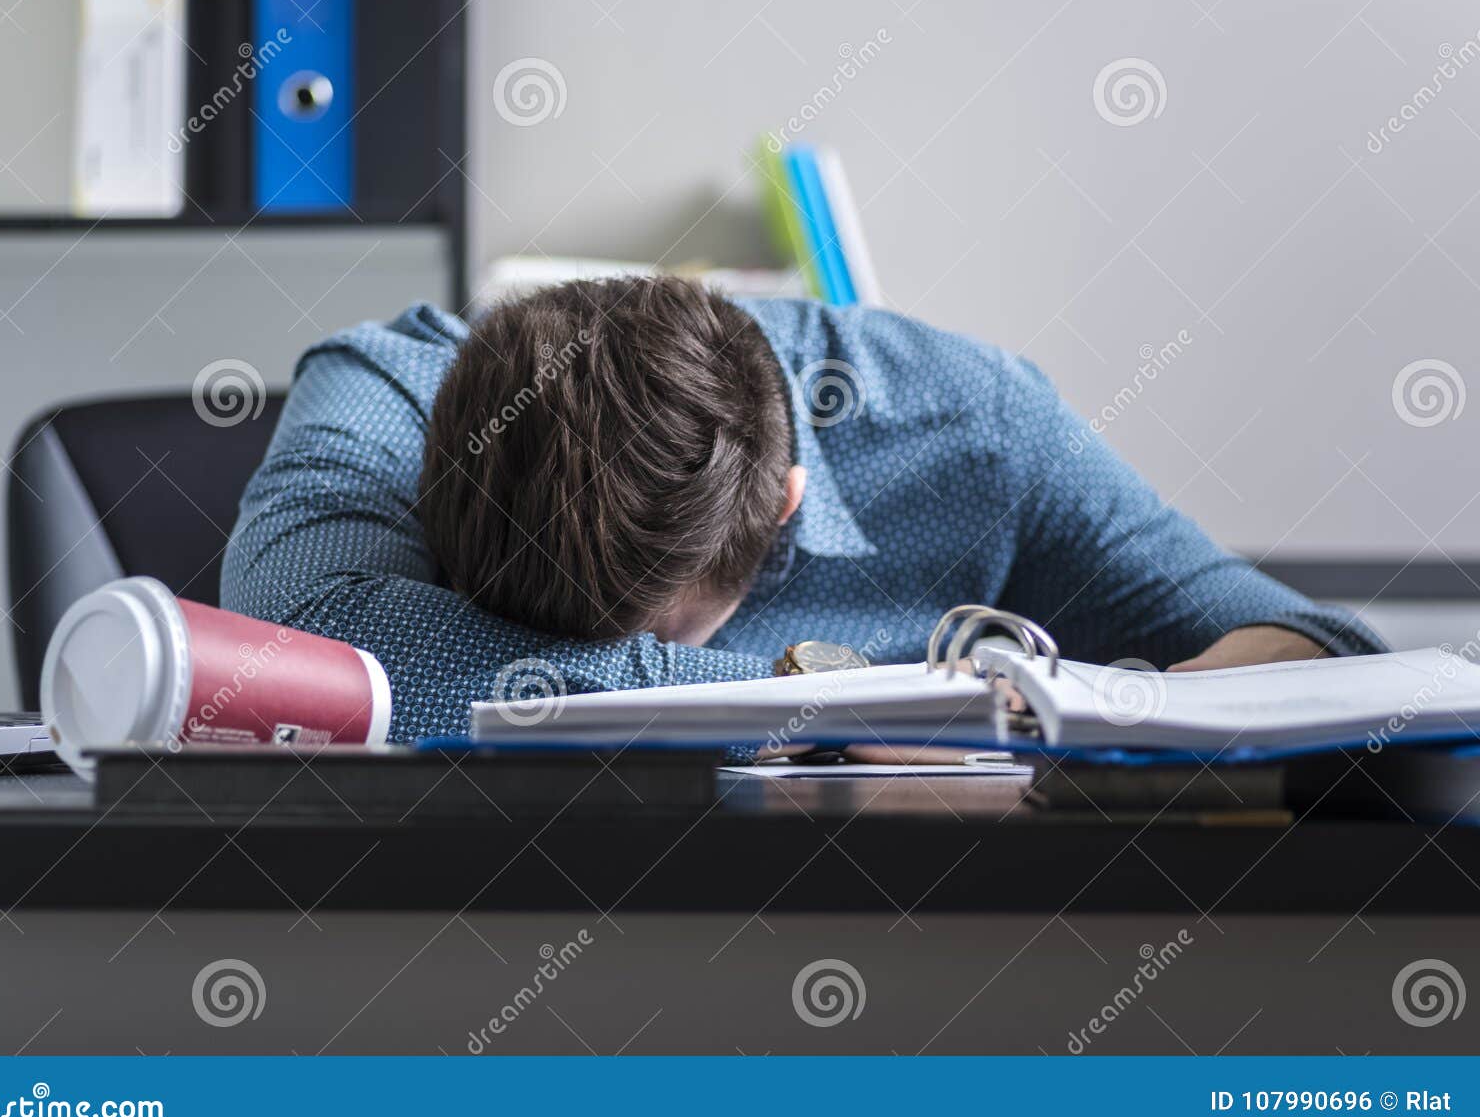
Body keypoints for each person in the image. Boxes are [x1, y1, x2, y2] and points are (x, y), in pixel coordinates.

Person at [222, 276, 1384, 743]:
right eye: (527, 640)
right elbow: (307, 644)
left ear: (780, 512)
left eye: (656, 632)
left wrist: (1111, 717)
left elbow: (1317, 649)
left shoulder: (973, 430)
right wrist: (885, 710)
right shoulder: (386, 390)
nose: (594, 682)